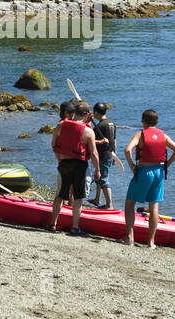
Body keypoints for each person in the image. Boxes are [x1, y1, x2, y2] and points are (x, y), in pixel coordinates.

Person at [123, 109, 175, 247]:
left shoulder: (140, 134)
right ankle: (151, 242)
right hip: (159, 172)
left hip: (144, 171)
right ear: (156, 121)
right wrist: (167, 164)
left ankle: (130, 238)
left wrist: (132, 165)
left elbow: (127, 150)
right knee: (154, 205)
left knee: (130, 203)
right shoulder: (163, 135)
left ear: (143, 121)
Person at [49, 101, 101, 236]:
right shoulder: (88, 132)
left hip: (64, 164)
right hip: (80, 166)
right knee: (78, 197)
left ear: (74, 113)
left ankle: (53, 224)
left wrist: (59, 159)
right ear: (87, 114)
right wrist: (97, 170)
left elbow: (54, 144)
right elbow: (94, 153)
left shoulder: (61, 125)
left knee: (60, 194)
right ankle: (74, 227)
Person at [88, 102, 125, 208]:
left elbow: (91, 140)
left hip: (102, 155)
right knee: (99, 178)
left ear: (95, 112)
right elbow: (114, 140)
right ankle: (97, 199)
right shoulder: (111, 123)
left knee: (103, 179)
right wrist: (114, 154)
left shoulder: (99, 125)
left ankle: (109, 205)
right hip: (109, 153)